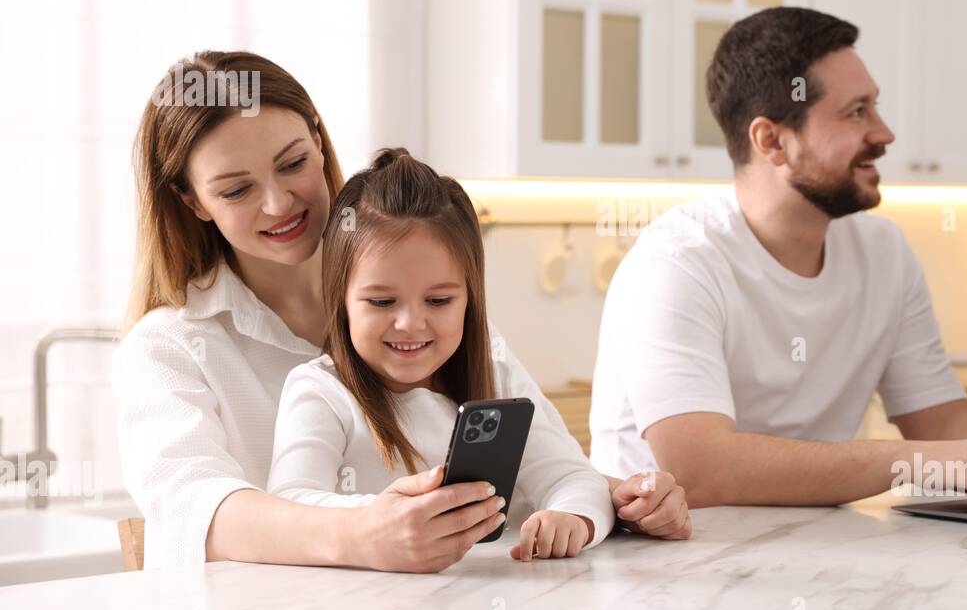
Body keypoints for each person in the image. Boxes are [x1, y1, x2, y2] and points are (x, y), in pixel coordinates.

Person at [113, 52, 690, 572]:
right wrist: (368, 533)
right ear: (192, 201)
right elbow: (196, 511)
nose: (278, 203)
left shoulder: (429, 301)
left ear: (318, 140)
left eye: (292, 164)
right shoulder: (168, 348)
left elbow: (536, 465)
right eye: (236, 190)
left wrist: (615, 498)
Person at [588, 8, 967, 510]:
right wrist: (921, 461)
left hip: (816, 557)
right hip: (663, 569)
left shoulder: (885, 254)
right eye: (857, 112)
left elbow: (941, 421)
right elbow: (700, 471)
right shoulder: (678, 264)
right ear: (772, 141)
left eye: (875, 108)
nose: (884, 133)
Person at [268, 148, 614, 561]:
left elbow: (575, 476)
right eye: (381, 302)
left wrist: (571, 517)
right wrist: (386, 520)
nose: (411, 323)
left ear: (470, 298)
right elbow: (289, 505)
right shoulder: (321, 391)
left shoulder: (496, 371)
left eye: (437, 300)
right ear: (340, 300)